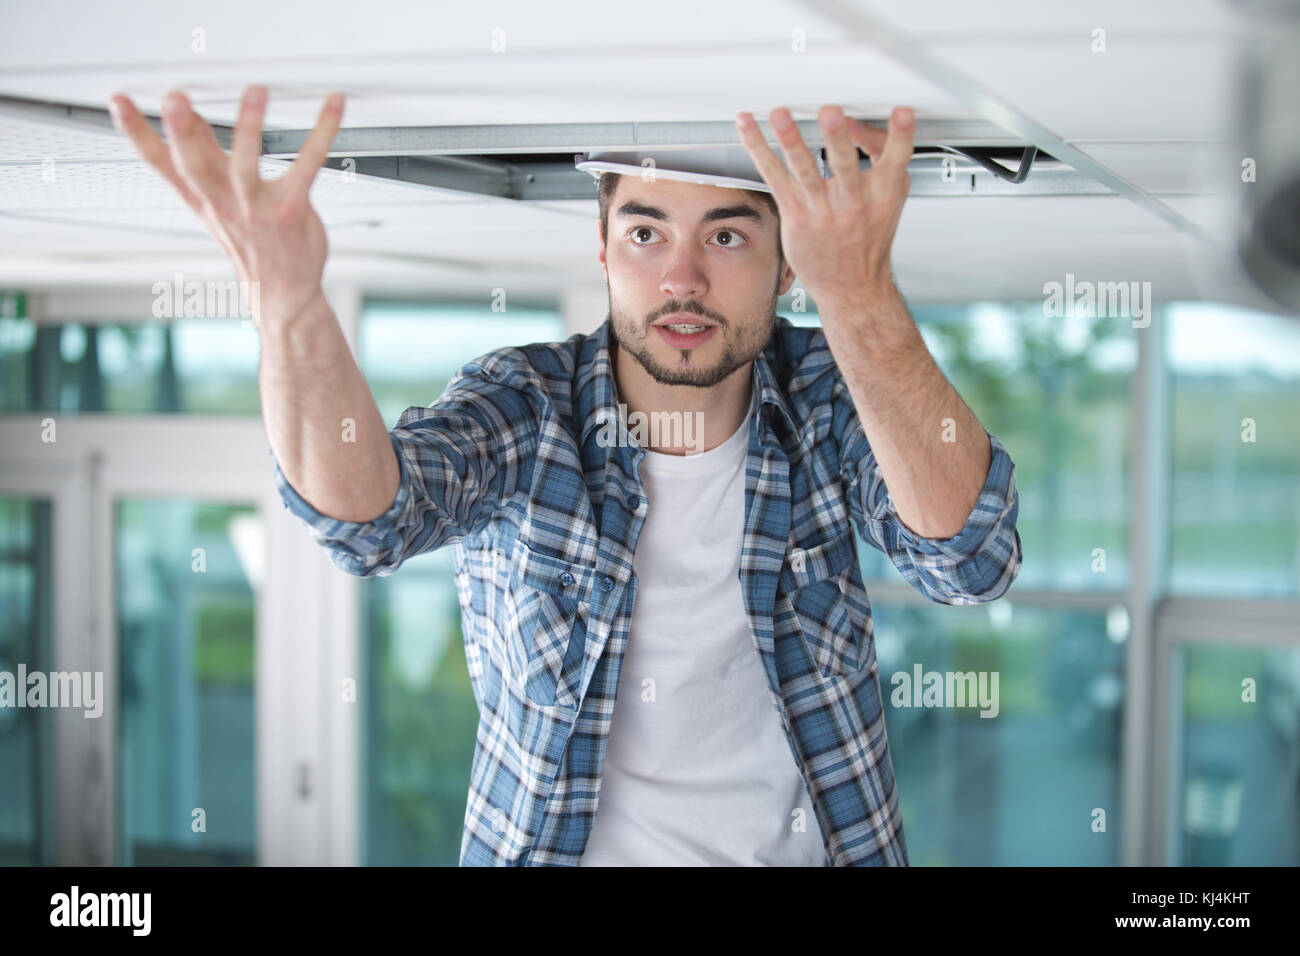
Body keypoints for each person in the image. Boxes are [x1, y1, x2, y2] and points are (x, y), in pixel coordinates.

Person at [109, 88, 1022, 866]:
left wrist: (859, 295)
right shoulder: (528, 406)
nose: (682, 278)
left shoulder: (829, 393)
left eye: (730, 237)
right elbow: (367, 521)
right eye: (645, 231)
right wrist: (290, 308)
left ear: (789, 265)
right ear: (602, 249)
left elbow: (969, 560)